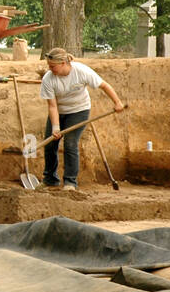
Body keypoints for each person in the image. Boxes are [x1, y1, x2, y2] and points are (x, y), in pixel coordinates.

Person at [39, 47, 125, 191]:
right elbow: (52, 106)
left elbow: (104, 85)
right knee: (50, 144)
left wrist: (117, 102)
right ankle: (50, 179)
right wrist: (56, 128)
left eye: (52, 66)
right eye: (49, 65)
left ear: (63, 63)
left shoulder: (81, 71)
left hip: (79, 110)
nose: (50, 68)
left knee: (71, 143)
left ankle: (70, 182)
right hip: (59, 111)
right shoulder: (48, 79)